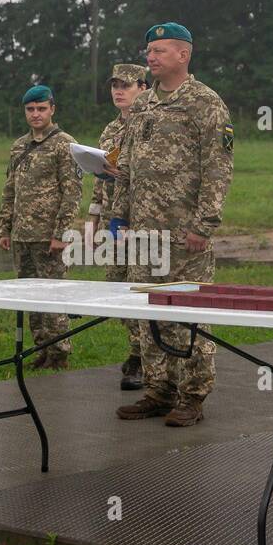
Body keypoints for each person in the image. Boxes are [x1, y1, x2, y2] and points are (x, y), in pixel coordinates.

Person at [112, 22, 233, 427]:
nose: (150, 57)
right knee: (149, 313)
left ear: (184, 55)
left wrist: (204, 224)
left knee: (189, 313)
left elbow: (217, 168)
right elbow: (126, 166)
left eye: (160, 50)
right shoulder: (143, 105)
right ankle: (158, 390)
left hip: (185, 235)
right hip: (144, 233)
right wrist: (122, 216)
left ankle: (192, 395)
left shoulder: (204, 103)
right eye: (149, 50)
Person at [0, 85, 82, 370]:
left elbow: (72, 192)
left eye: (41, 109)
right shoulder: (20, 145)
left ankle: (60, 353)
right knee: (30, 296)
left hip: (49, 237)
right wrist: (4, 228)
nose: (35, 114)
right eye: (31, 109)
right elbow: (10, 189)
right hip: (22, 235)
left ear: (52, 109)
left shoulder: (64, 144)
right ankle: (41, 348)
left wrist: (61, 233)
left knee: (54, 295)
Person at [89, 63, 148, 390]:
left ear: (142, 86)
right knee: (116, 287)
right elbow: (101, 178)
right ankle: (139, 348)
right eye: (114, 85)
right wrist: (93, 216)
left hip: (143, 220)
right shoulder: (110, 130)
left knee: (142, 289)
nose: (118, 91)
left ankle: (142, 357)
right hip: (114, 220)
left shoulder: (151, 124)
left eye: (125, 85)